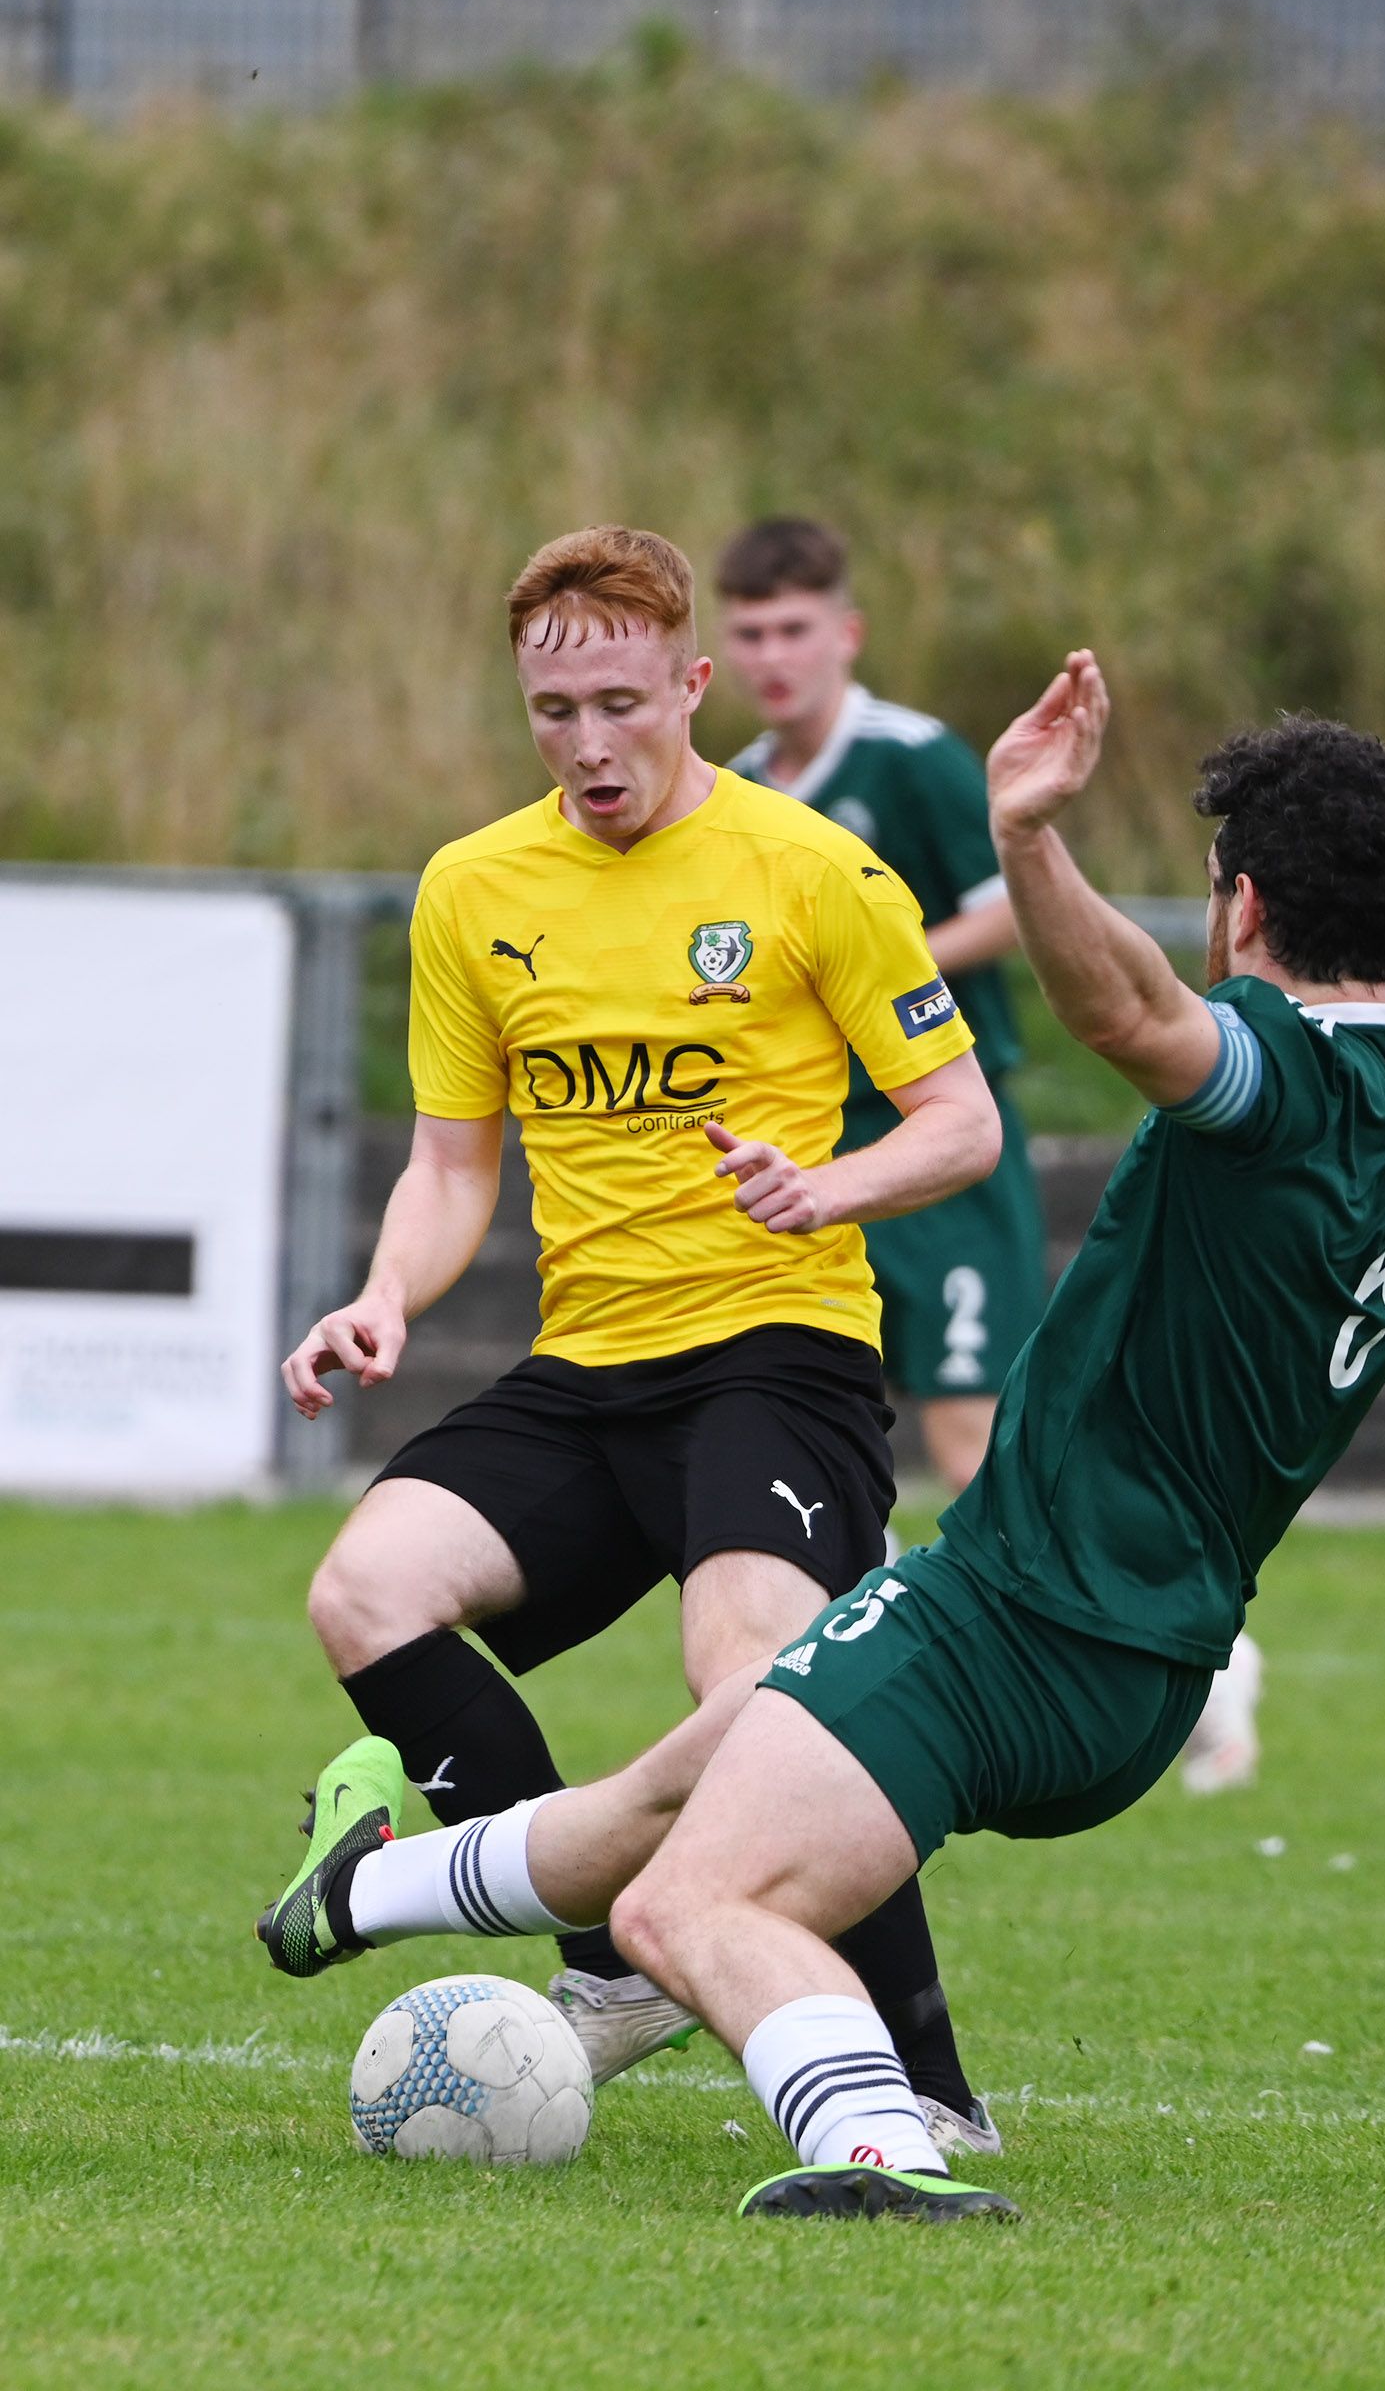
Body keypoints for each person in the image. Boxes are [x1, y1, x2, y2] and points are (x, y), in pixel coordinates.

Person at [258, 655, 1385, 2224]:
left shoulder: (1271, 1074)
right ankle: (360, 1893)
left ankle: (888, 2146)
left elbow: (1124, 1010)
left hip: (1012, 1614)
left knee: (689, 1908)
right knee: (694, 1763)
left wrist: (1029, 836)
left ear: (1237, 907)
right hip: (1151, 1669)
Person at [268, 524, 1006, 2159]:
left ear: (692, 684)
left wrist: (828, 1189)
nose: (589, 746)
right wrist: (390, 1293)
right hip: (589, 1368)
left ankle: (928, 2091)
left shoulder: (813, 871)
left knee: (763, 1687)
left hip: (781, 1351)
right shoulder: (476, 886)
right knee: (366, 1589)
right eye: (553, 713)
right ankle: (610, 1957)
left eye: (619, 703)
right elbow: (455, 1160)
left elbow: (960, 1126)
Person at [716, 518, 1047, 1497]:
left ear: (846, 633)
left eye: (792, 629)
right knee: (807, 1436)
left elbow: (1009, 913)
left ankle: (1143, 1640)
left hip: (937, 1141)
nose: (772, 656)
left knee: (970, 1432)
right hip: (801, 1149)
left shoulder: (914, 757)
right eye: (750, 634)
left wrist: (863, 977)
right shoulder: (729, 790)